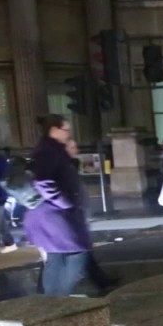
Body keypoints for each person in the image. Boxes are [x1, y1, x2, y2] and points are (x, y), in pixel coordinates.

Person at [24, 116, 100, 295]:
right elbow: (43, 181)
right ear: (54, 130)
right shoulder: (48, 151)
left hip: (49, 215)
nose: (69, 134)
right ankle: (59, 301)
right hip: (55, 215)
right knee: (78, 254)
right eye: (66, 130)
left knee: (56, 257)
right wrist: (64, 203)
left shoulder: (51, 149)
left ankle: (51, 302)